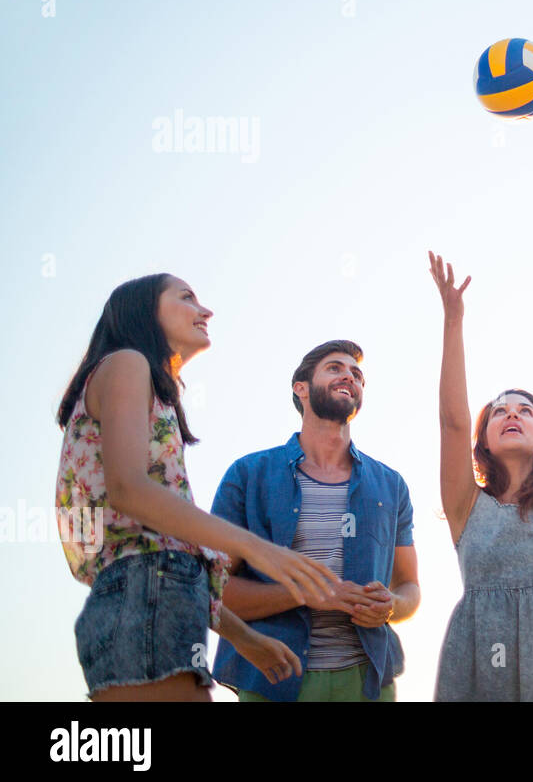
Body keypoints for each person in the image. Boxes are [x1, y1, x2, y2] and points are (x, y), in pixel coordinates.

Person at [55, 274, 338, 701]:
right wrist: (259, 548)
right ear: (142, 310)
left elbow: (161, 554)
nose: (206, 311)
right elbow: (128, 491)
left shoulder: (147, 388)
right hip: (143, 604)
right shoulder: (127, 362)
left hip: (148, 603)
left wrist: (242, 636)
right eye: (187, 298)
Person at [430, 232, 533, 701]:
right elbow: (450, 423)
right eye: (499, 411)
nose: (512, 415)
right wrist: (453, 320)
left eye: (524, 410)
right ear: (481, 440)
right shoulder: (466, 507)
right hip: (478, 670)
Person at [211, 340, 420, 702]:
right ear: (301, 389)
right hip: (273, 680)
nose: (350, 377)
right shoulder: (248, 476)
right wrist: (310, 593)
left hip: (368, 682)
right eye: (335, 368)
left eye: (357, 374)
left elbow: (409, 588)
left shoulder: (392, 485)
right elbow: (215, 592)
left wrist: (391, 607)